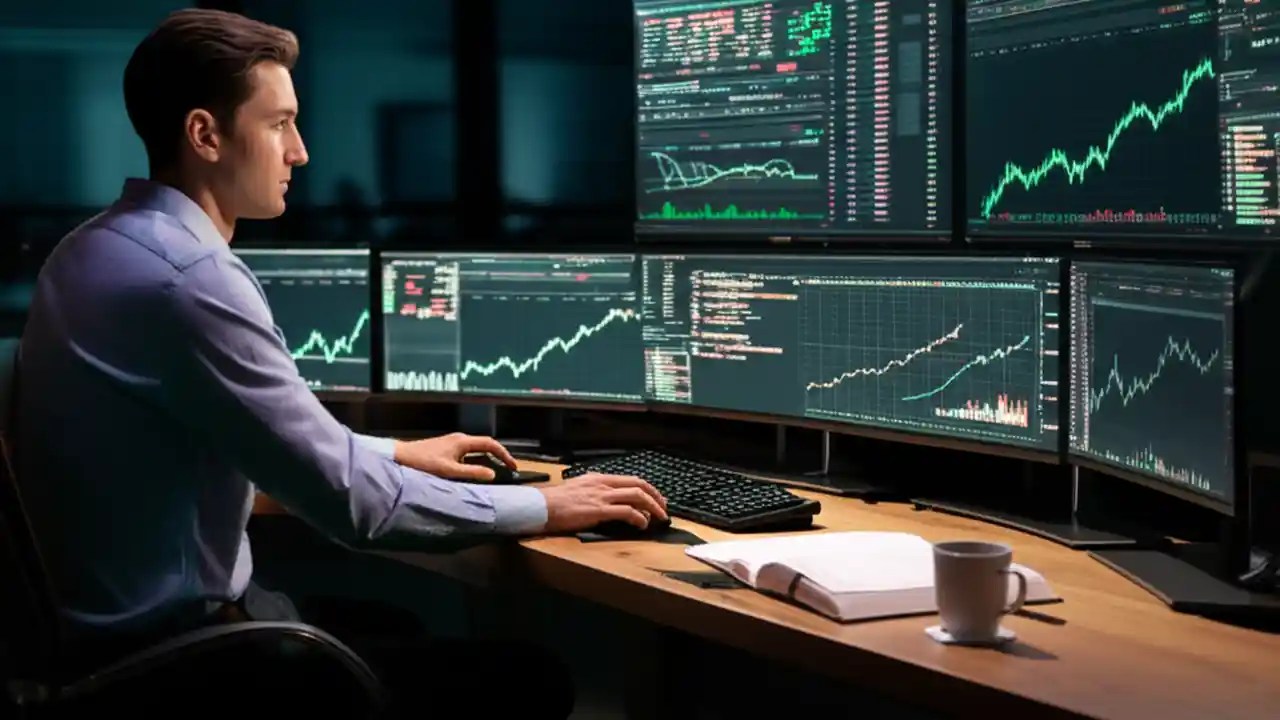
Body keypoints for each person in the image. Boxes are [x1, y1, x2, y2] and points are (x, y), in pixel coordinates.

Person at [12, 8, 666, 718]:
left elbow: (260, 439)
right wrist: (546, 504)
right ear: (205, 134)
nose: (301, 152)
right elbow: (358, 508)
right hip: (178, 658)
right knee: (530, 678)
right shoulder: (190, 277)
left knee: (401, 631)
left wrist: (396, 449)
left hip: (102, 639)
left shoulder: (91, 248)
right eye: (279, 123)